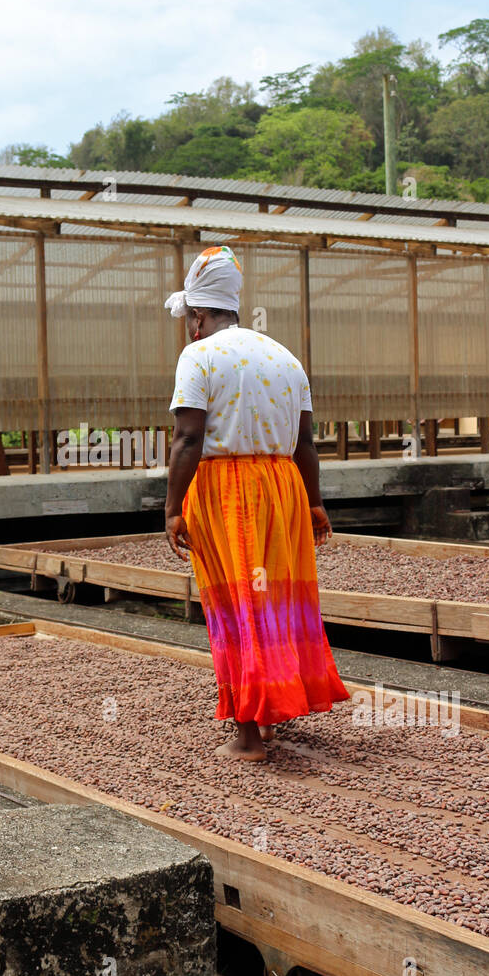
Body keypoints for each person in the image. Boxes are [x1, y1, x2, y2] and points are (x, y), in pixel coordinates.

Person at [164, 244, 349, 761]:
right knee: (274, 600)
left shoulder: (198, 356)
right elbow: (307, 443)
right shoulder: (284, 356)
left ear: (199, 315)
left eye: (189, 318)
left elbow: (188, 439)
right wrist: (314, 504)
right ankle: (270, 715)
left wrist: (173, 506)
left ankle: (247, 734)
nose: (189, 327)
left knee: (236, 603)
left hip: (229, 490)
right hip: (284, 486)